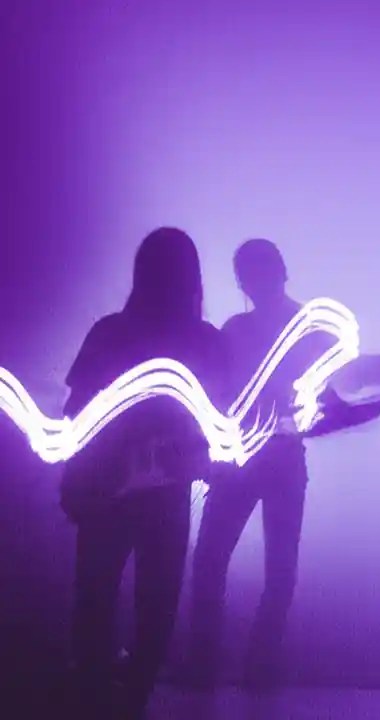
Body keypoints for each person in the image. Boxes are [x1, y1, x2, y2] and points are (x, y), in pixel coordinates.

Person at [61, 227, 227, 719]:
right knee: (156, 603)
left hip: (106, 485)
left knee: (95, 595)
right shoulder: (204, 339)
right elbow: (226, 414)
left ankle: (95, 696)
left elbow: (77, 409)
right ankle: (131, 698)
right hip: (160, 491)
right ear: (194, 278)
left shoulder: (112, 330)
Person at [188, 239, 325, 690]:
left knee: (221, 560)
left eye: (251, 275)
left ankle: (214, 664)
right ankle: (250, 667)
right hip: (266, 458)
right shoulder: (305, 327)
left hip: (251, 458)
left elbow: (218, 392)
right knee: (257, 565)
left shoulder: (247, 329)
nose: (252, 284)